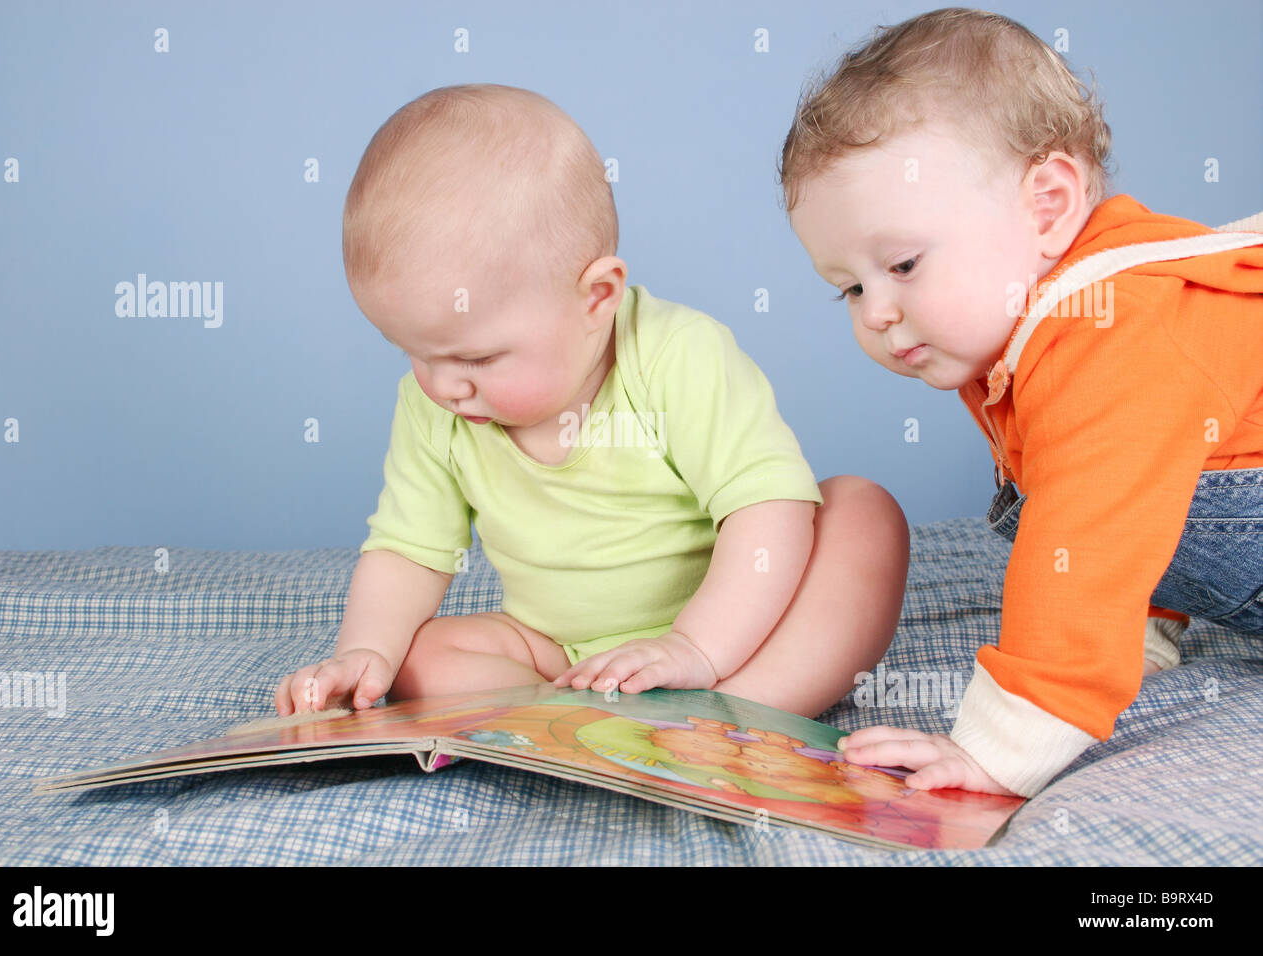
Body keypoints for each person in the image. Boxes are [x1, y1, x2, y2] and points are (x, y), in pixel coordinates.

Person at [275, 83, 910, 722]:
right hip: (559, 653)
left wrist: (694, 646)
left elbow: (766, 510)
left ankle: (742, 709)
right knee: (418, 659)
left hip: (742, 631)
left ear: (596, 297)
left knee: (862, 514)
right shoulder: (435, 404)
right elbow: (408, 550)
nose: (443, 385)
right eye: (411, 350)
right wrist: (363, 651)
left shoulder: (677, 355)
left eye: (476, 358)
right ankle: (578, 723)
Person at [782, 7, 1263, 797]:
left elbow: (1094, 527)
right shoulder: (1029, 344)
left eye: (903, 263)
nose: (875, 311)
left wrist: (994, 751)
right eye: (850, 288)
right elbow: (1150, 505)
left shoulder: (1117, 323)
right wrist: (1142, 630)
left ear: (1047, 205)